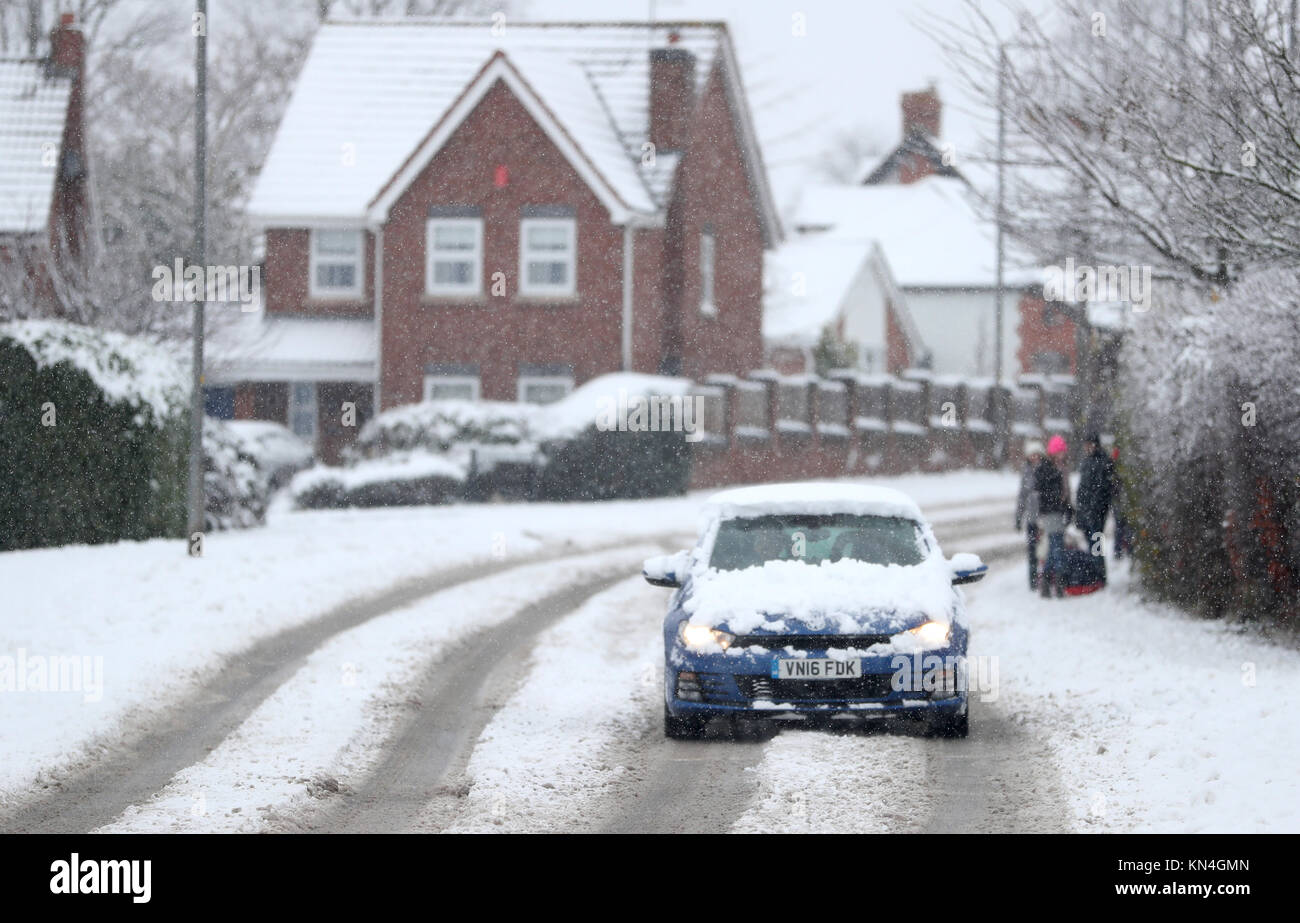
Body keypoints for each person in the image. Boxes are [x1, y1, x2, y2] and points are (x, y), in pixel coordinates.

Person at [1035, 435, 1073, 598]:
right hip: (1050, 512)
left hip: (1058, 511)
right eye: (1060, 452)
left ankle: (1046, 583)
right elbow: (1043, 490)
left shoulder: (1061, 467)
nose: (1062, 456)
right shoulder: (1046, 468)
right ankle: (1058, 583)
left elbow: (1066, 490)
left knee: (1053, 547)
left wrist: (1068, 507)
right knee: (1057, 546)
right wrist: (1058, 498)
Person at [1075, 432, 1115, 549]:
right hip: (1086, 511)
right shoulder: (1087, 462)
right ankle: (1094, 567)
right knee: (1091, 546)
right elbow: (1082, 488)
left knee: (1096, 547)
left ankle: (1098, 567)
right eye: (1086, 445)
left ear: (1096, 445)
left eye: (1090, 445)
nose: (1087, 448)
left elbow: (1102, 488)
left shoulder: (1103, 462)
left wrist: (1094, 508)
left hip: (1097, 512)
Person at [1015, 440, 1045, 590]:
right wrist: (1018, 517)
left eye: (1037, 455)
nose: (1034, 458)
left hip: (1044, 518)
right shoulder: (1026, 472)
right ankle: (1033, 580)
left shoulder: (1045, 470)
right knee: (1032, 550)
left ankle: (1046, 579)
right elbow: (1021, 496)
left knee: (1045, 551)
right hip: (1031, 519)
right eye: (1032, 455)